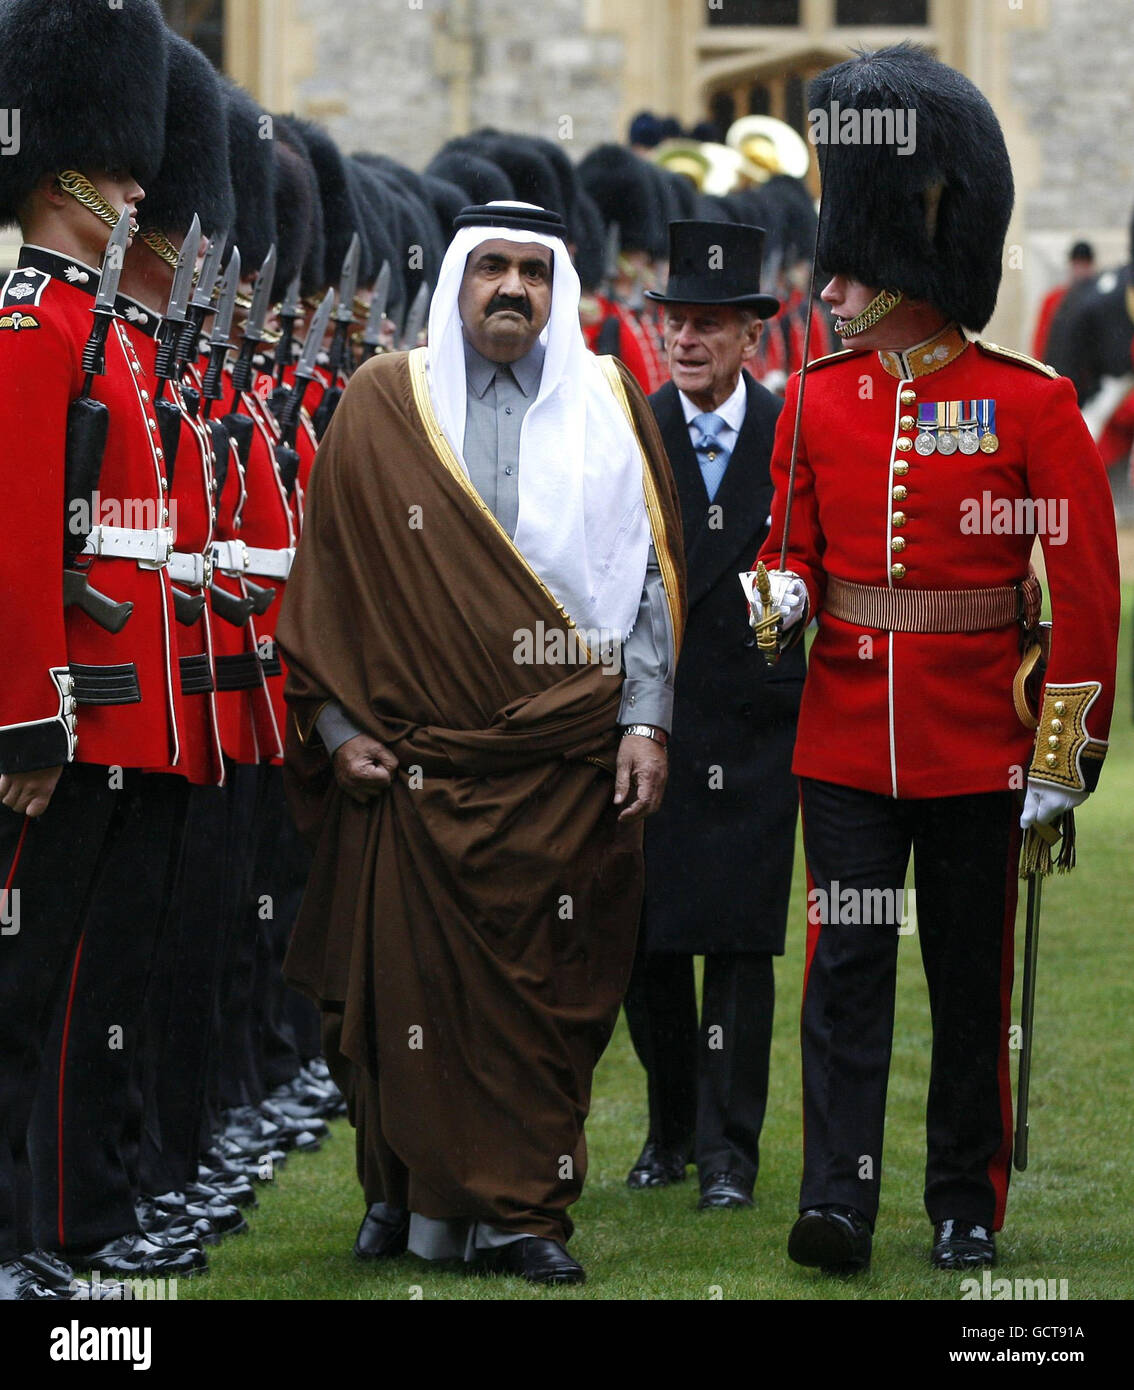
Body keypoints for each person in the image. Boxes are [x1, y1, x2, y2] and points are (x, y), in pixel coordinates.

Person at [754, 45, 1120, 1275]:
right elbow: (787, 548)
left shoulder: (1030, 405)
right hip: (848, 740)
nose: (830, 283)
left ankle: (966, 1199)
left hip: (980, 744)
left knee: (971, 987)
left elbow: (1083, 591)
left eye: (848, 262)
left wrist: (1063, 757)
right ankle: (840, 1200)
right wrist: (778, 597)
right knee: (844, 970)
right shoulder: (817, 397)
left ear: (903, 259)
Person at [276, 200, 685, 1286]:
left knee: (544, 998)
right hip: (416, 772)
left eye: (534, 271)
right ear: (456, 279)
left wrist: (647, 720)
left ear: (559, 286)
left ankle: (522, 1212)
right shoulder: (380, 404)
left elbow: (649, 583)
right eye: (492, 268)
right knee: (403, 992)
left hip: (566, 771)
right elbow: (329, 588)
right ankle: (407, 1194)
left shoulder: (607, 402)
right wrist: (335, 726)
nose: (513, 289)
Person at [0, 0, 201, 1296]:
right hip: (55, 722)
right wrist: (25, 717)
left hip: (115, 711)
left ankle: (49, 1230)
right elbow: (18, 531)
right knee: (18, 1000)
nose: (140, 186)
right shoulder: (35, 322)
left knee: (66, 991)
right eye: (122, 165)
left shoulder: (96, 324)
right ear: (67, 171)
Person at [622, 220, 803, 1209]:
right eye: (675, 324)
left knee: (739, 940)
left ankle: (732, 1154)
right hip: (657, 717)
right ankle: (670, 1130)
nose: (685, 341)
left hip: (760, 717)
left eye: (706, 326)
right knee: (650, 938)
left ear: (748, 338)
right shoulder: (634, 428)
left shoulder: (791, 431)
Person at [1031, 240, 1094, 361]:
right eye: (1077, 264)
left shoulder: (1098, 299)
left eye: (1085, 265)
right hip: (1059, 366)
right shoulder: (1053, 299)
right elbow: (1040, 339)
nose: (1080, 270)